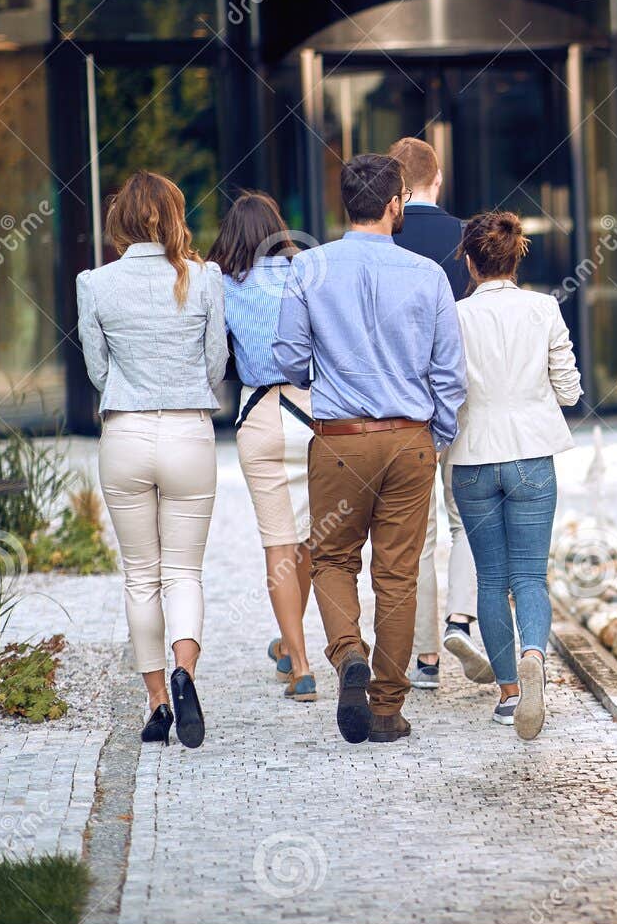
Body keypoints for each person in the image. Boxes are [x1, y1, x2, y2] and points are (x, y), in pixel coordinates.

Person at [273, 153, 466, 745]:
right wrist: (434, 436)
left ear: (344, 205)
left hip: (339, 442)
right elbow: (450, 375)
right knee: (399, 575)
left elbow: (284, 359)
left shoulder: (308, 270)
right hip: (409, 440)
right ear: (394, 204)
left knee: (332, 559)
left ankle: (347, 653)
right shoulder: (428, 275)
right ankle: (385, 708)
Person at [76, 171, 227, 749]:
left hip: (126, 435)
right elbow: (216, 364)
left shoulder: (95, 283)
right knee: (184, 572)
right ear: (173, 216)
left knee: (140, 577)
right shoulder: (205, 279)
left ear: (120, 221)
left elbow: (97, 371)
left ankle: (159, 706)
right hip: (188, 431)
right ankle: (187, 669)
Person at [448, 212, 581, 740]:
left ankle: (507, 692)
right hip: (532, 454)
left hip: (474, 457)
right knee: (530, 577)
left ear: (469, 260)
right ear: (515, 257)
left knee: (490, 579)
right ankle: (533, 657)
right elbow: (568, 388)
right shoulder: (544, 308)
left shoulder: (455, 316)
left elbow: (444, 385)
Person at [386, 137, 490, 691]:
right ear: (438, 178)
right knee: (465, 519)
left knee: (416, 535)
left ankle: (424, 658)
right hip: (461, 402)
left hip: (404, 408)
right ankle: (461, 621)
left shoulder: (386, 237)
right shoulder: (467, 237)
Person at [207, 192, 317, 702]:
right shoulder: (305, 274)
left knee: (278, 544)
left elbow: (214, 354)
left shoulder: (224, 284)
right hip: (312, 415)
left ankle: (299, 662)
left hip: (258, 418)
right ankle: (293, 644)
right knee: (312, 539)